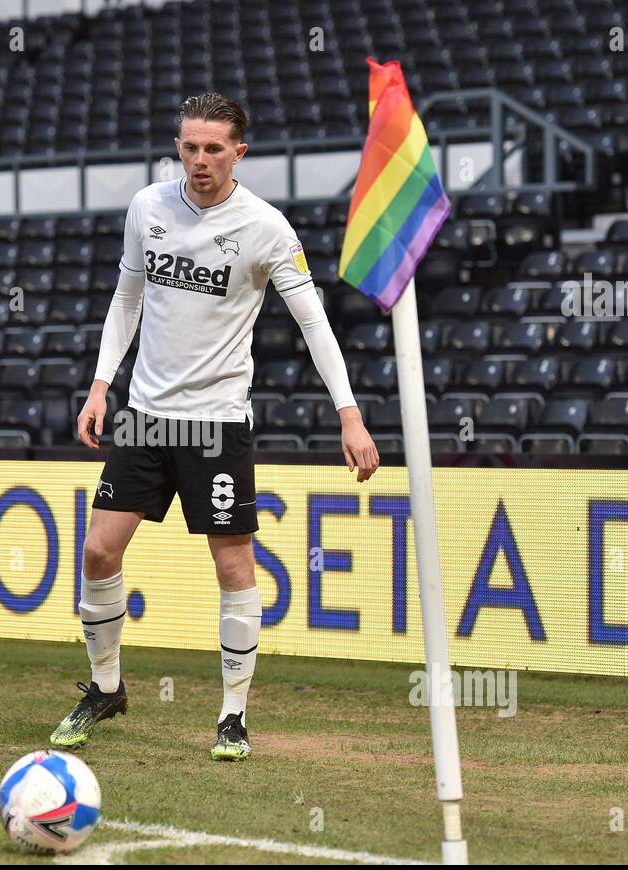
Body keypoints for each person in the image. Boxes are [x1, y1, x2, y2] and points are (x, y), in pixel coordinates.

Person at [49, 92, 380, 761]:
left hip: (217, 423)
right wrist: (100, 385)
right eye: (189, 146)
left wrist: (349, 411)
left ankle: (232, 715)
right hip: (145, 416)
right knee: (97, 552)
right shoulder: (148, 207)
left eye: (213, 148)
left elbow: (314, 322)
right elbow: (127, 296)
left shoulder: (266, 228)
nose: (199, 160)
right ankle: (107, 688)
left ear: (239, 152)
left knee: (233, 563)